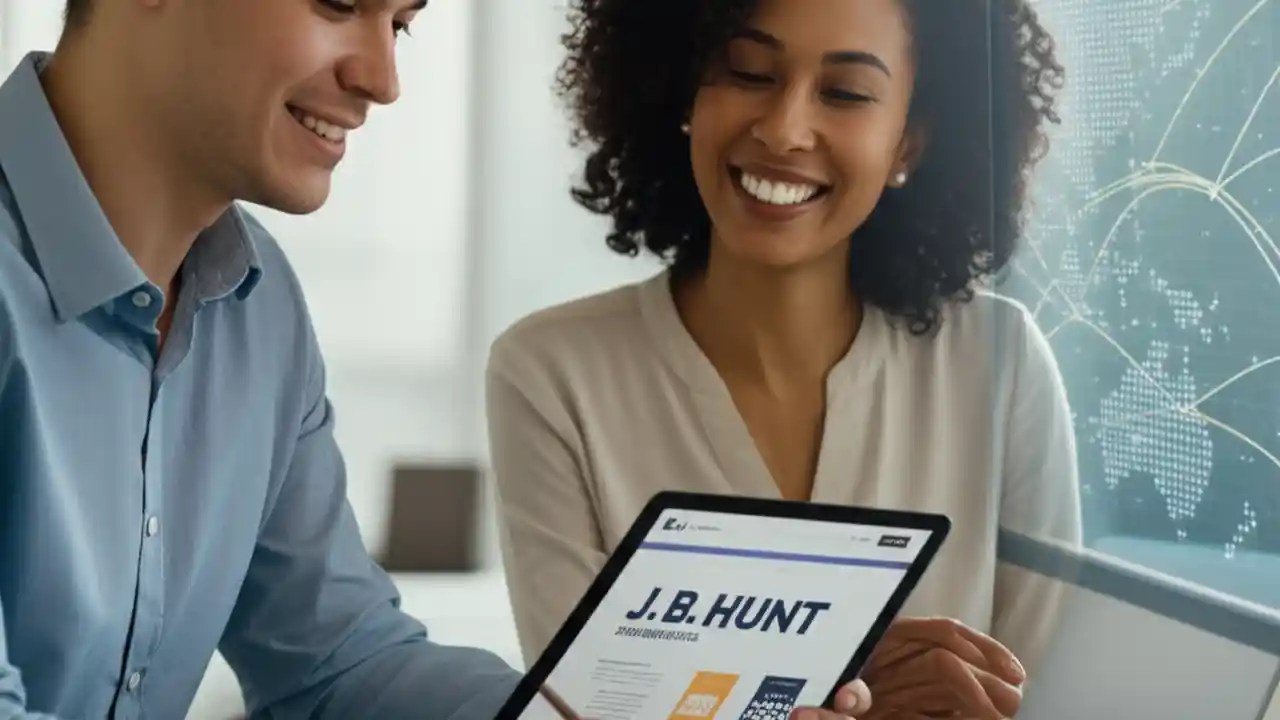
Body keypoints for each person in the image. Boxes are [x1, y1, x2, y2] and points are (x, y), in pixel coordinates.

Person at [0, 1, 871, 718]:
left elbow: (337, 665)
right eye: (341, 6)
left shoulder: (259, 313)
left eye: (402, 24)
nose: (381, 80)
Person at [486, 0, 1084, 717]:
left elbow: (1051, 696)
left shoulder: (1000, 365)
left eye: (846, 93)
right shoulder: (552, 375)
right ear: (684, 97)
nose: (783, 128)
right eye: (747, 73)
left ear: (908, 146)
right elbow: (581, 709)